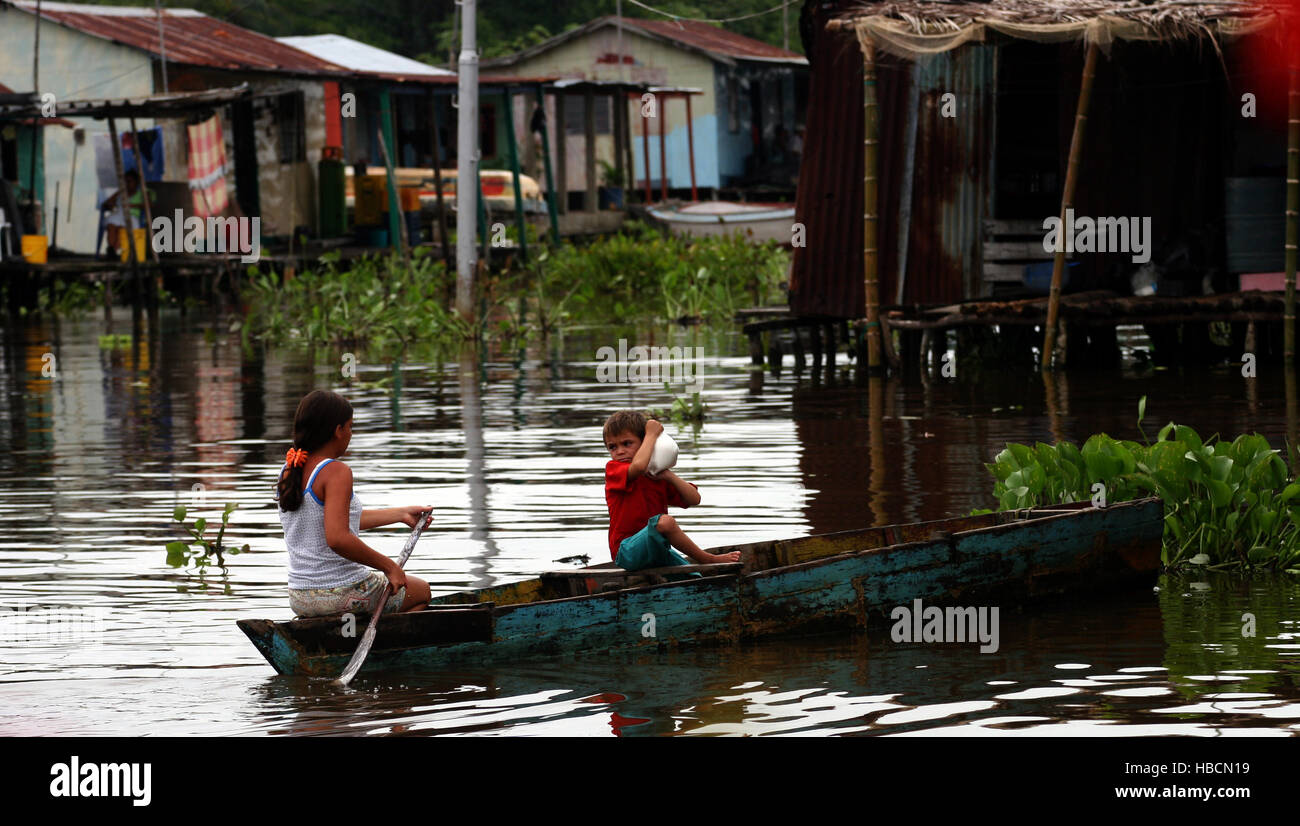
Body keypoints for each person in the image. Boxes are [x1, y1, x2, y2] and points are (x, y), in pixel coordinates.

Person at [275, 390, 433, 618]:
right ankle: (384, 649)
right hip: (341, 591)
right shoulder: (337, 471)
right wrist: (389, 567)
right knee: (421, 591)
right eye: (350, 426)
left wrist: (401, 514)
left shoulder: (289, 469)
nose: (351, 433)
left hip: (300, 596)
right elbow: (338, 538)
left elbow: (336, 521)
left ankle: (347, 638)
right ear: (338, 431)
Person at [603, 409, 741, 571]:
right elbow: (639, 466)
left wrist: (669, 476)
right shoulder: (614, 469)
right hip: (627, 551)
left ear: (644, 443)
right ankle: (707, 558)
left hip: (658, 550)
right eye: (612, 447)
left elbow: (694, 499)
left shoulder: (656, 475)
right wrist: (651, 434)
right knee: (665, 522)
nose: (619, 451)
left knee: (695, 577)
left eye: (627, 443)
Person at [102, 169, 153, 258]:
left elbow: (149, 205)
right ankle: (111, 250)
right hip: (118, 215)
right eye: (125, 181)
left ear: (136, 183)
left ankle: (113, 251)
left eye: (129, 181)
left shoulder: (142, 194)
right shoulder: (120, 193)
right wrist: (114, 199)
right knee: (111, 226)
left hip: (132, 217)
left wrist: (132, 205)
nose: (127, 184)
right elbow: (107, 203)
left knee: (122, 229)